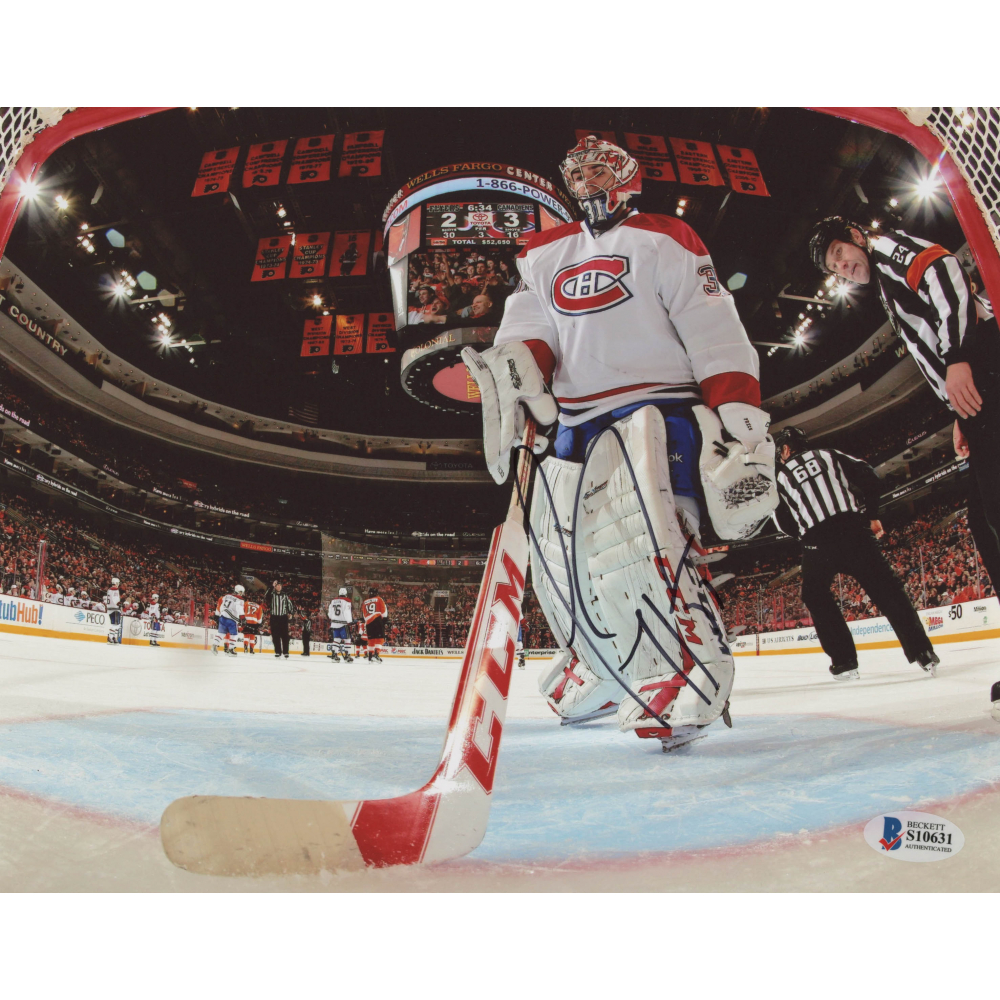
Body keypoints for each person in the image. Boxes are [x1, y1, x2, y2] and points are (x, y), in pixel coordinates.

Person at [462, 135, 777, 751]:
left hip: (659, 406)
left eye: (599, 167)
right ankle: (603, 662)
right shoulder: (543, 251)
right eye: (576, 170)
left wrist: (737, 406)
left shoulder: (664, 237)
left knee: (652, 538)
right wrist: (520, 365)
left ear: (628, 176)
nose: (586, 178)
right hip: (575, 421)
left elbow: (711, 323)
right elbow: (530, 328)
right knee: (567, 553)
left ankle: (691, 664)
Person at [808, 218, 996, 704]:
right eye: (835, 267)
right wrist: (961, 411)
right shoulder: (887, 281)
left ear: (854, 235)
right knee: (982, 520)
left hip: (985, 369)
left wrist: (958, 358)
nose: (844, 267)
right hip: (976, 393)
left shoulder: (889, 247)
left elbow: (945, 272)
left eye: (840, 253)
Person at [772, 426, 939, 679]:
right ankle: (923, 653)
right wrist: (872, 516)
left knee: (815, 595)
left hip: (818, 542)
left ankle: (845, 661)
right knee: (888, 590)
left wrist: (805, 535)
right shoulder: (830, 454)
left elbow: (781, 520)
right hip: (854, 531)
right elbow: (870, 476)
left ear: (785, 448)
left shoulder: (781, 476)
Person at [264, 580, 295, 659]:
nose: (279, 587)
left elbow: (289, 604)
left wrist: (291, 612)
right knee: (275, 635)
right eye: (277, 585)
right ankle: (278, 651)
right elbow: (266, 596)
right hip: (274, 617)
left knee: (285, 635)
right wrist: (271, 586)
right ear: (275, 587)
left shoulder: (284, 595)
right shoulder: (272, 594)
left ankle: (285, 652)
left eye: (280, 585)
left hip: (283, 617)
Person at [213, 583, 245, 656]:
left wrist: (218, 615)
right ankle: (231, 649)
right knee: (234, 635)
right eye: (241, 592)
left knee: (221, 633)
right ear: (239, 591)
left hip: (223, 616)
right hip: (231, 619)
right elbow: (239, 608)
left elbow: (220, 606)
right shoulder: (240, 599)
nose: (242, 594)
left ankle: (215, 645)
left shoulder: (226, 596)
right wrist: (242, 617)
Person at [327, 586, 354, 662]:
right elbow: (347, 612)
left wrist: (331, 618)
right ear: (345, 594)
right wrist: (349, 621)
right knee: (347, 639)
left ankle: (334, 655)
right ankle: (347, 655)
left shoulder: (333, 601)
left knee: (336, 639)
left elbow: (330, 612)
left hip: (334, 623)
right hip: (343, 623)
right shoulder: (347, 601)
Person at [362, 587, 387, 663]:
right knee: (380, 638)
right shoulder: (379, 599)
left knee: (371, 639)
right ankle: (376, 654)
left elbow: (363, 614)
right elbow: (384, 611)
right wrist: (384, 620)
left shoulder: (365, 602)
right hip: (377, 619)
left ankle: (370, 657)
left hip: (368, 622)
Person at [105, 577, 123, 644]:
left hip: (110, 608)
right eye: (118, 583)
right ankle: (110, 636)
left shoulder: (109, 590)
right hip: (115, 608)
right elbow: (115, 599)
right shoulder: (115, 589)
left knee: (114, 624)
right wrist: (119, 604)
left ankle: (113, 637)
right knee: (116, 624)